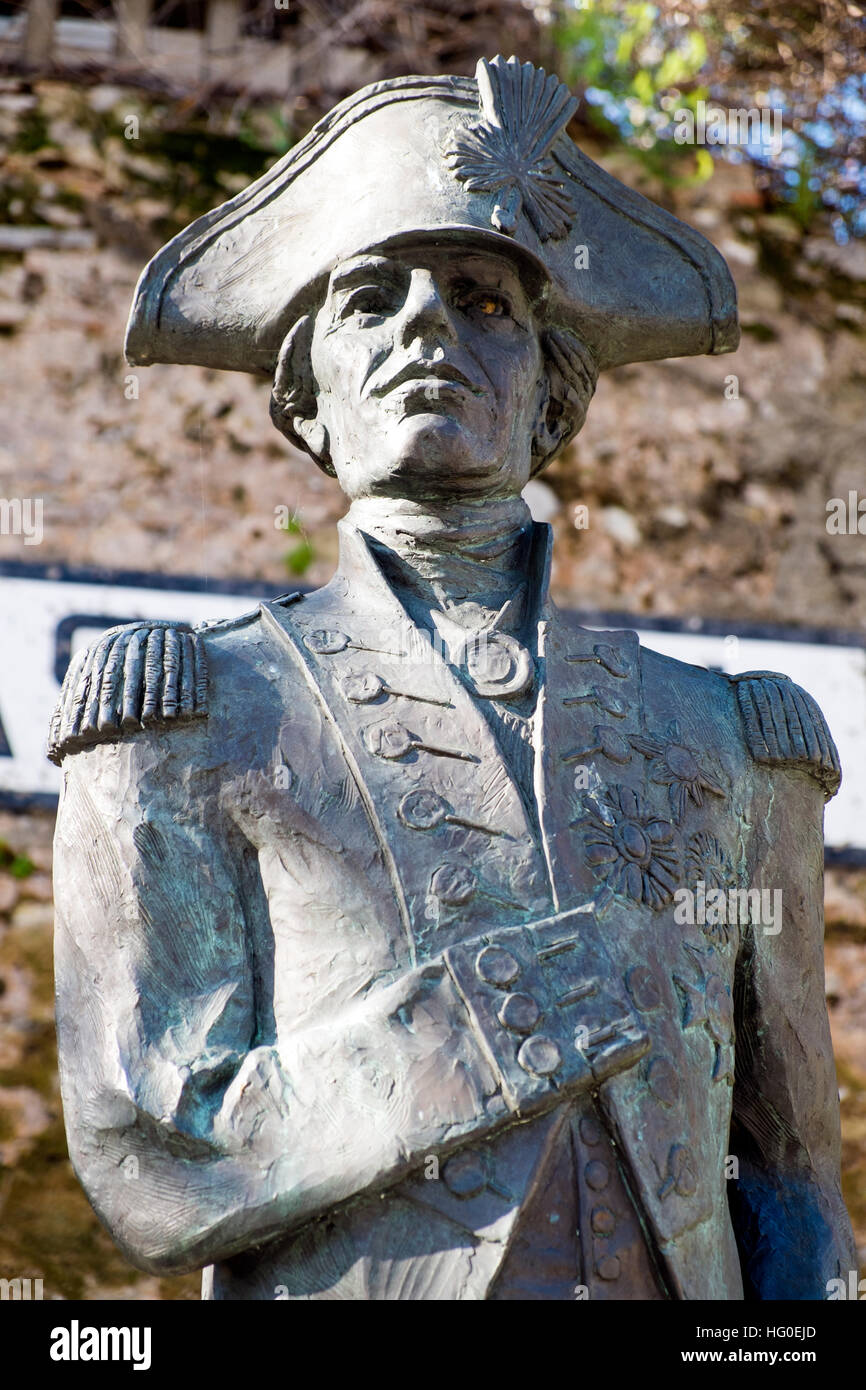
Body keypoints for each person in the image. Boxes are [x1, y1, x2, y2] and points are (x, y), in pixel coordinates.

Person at [49, 56, 854, 1300]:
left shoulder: (729, 736)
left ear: (549, 400)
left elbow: (790, 1175)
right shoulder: (188, 716)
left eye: (482, 301)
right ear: (307, 404)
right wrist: (501, 1022)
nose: (428, 322)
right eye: (370, 299)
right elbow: (156, 1144)